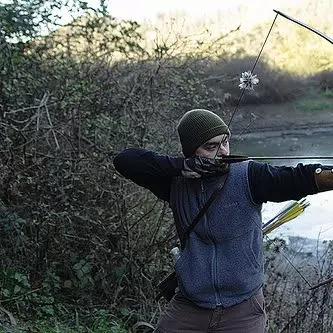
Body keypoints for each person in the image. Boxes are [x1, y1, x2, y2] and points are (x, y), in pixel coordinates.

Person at [113, 109, 333, 333]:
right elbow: (124, 160)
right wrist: (181, 167)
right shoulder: (174, 184)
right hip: (190, 305)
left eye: (225, 142)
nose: (223, 152)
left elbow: (299, 178)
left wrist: (326, 176)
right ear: (190, 151)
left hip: (244, 308)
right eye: (211, 147)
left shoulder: (248, 176)